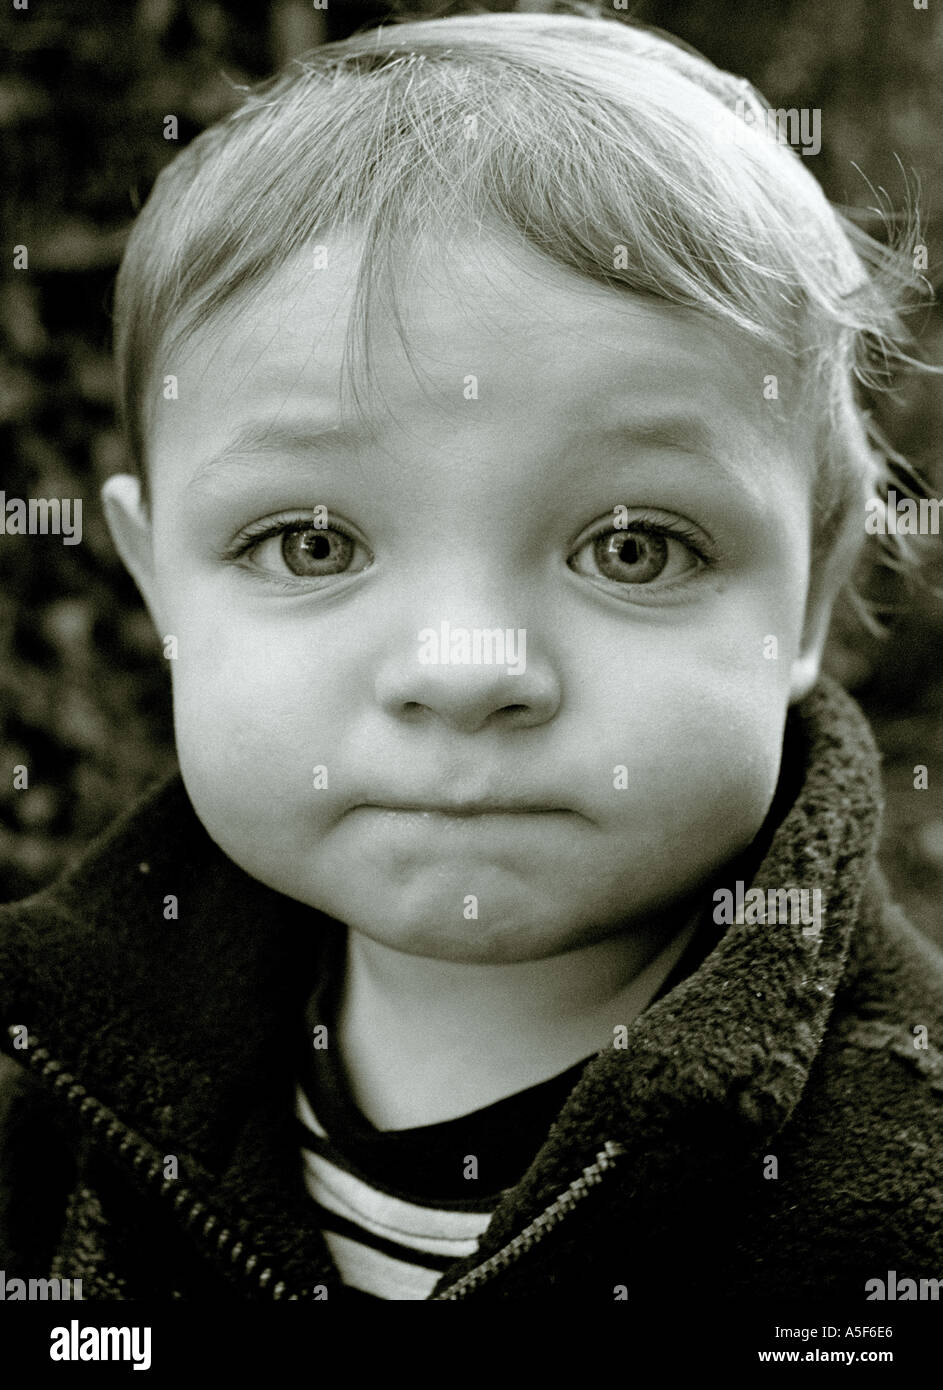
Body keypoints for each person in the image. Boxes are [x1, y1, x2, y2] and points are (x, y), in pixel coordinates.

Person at [1, 5, 940, 1303]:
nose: (464, 665)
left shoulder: (901, 1196)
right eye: (312, 542)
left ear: (813, 599)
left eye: (634, 547)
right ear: (161, 584)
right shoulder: (58, 1095)